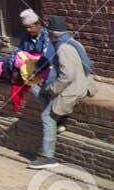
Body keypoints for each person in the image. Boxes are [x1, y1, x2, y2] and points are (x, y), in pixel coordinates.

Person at [32, 15, 96, 168]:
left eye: (49, 33)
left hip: (75, 87)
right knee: (36, 88)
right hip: (78, 83)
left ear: (53, 34)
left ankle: (48, 157)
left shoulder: (63, 47)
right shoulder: (73, 42)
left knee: (47, 116)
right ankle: (57, 119)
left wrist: (52, 88)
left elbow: (67, 76)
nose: (47, 35)